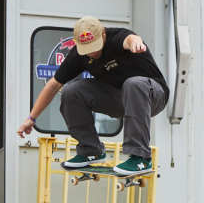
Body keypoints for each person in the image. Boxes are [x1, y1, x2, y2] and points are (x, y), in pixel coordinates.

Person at [17, 16, 168, 177]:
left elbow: (130, 39)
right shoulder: (79, 55)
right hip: (118, 99)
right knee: (71, 91)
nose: (91, 53)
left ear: (103, 35)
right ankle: (91, 150)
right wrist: (32, 118)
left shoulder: (116, 37)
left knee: (133, 84)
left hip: (152, 96)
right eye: (86, 49)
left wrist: (135, 43)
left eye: (94, 47)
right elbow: (53, 84)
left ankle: (140, 157)